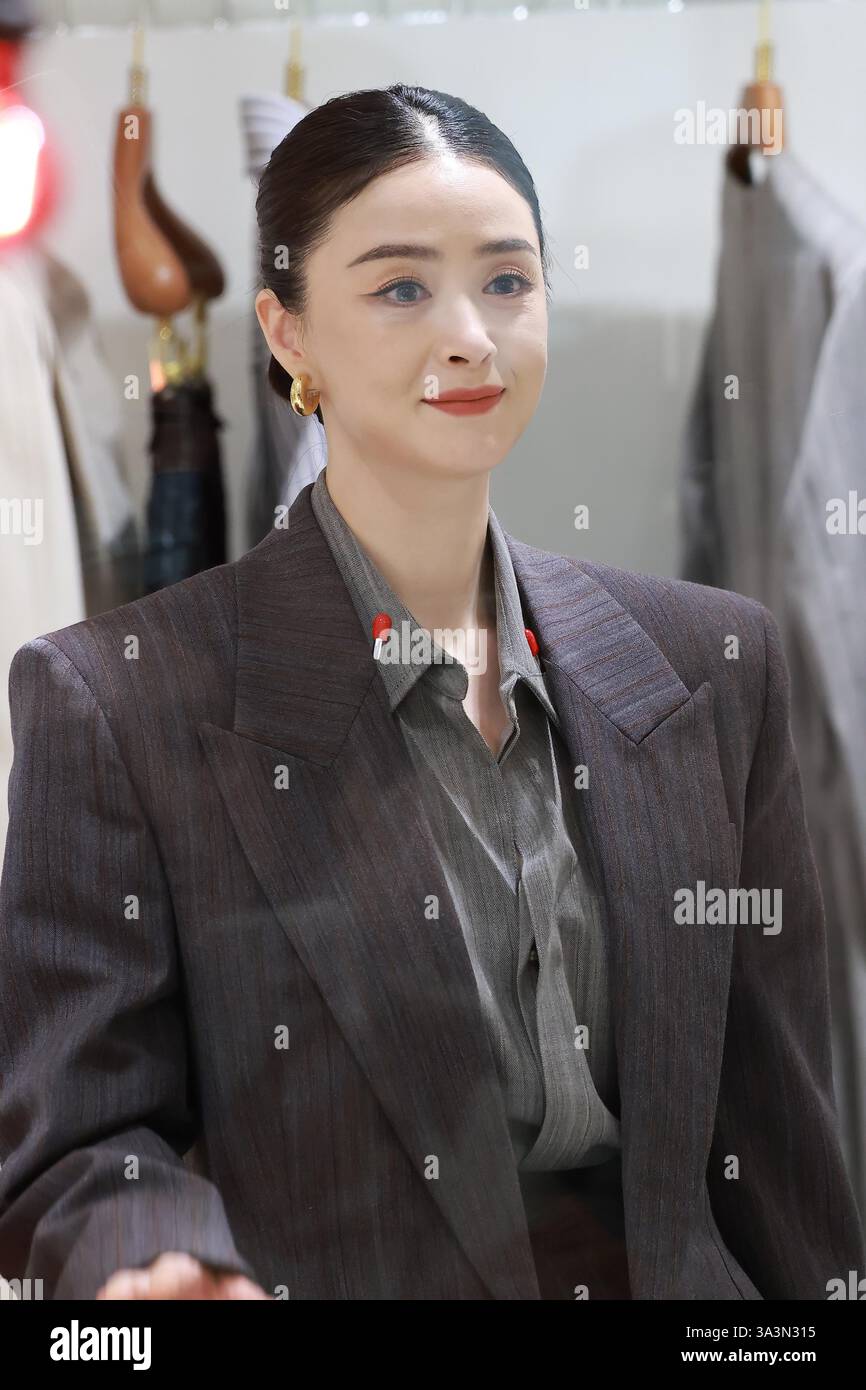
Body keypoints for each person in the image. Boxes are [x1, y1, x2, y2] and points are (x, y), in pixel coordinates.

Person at [0, 84, 862, 1302]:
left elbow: (778, 1148)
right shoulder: (121, 701)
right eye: (400, 287)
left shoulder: (712, 664)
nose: (469, 333)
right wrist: (160, 1261)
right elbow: (77, 1140)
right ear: (287, 335)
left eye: (506, 281)